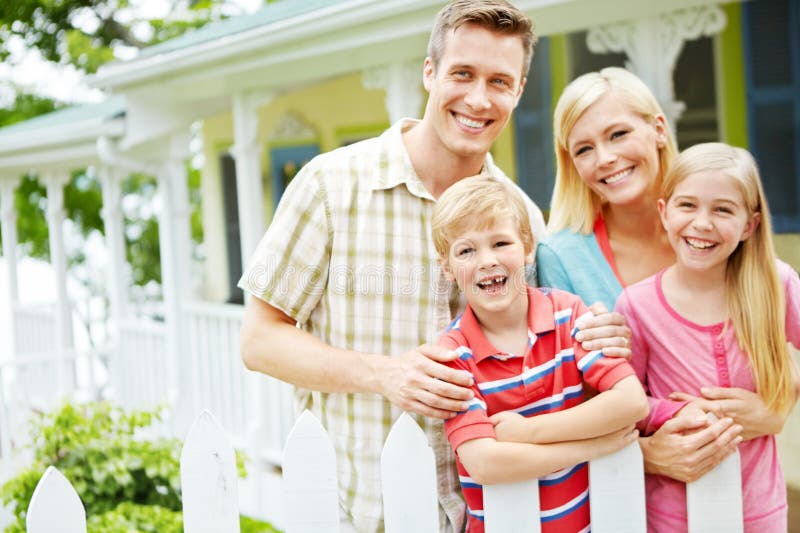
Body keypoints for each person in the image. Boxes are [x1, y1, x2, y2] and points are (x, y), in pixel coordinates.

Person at [238, 2, 632, 531]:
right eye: (462, 74)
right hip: (363, 513)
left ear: (518, 92)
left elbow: (553, 352)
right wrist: (384, 374)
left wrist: (601, 331)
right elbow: (259, 341)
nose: (477, 98)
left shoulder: (523, 224)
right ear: (429, 73)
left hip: (491, 513)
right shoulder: (331, 186)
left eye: (499, 81)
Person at [535, 67, 743, 484]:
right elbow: (566, 399)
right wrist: (646, 454)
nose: (605, 159)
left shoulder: (718, 226)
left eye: (618, 134)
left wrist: (772, 409)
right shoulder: (560, 255)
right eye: (584, 149)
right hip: (625, 496)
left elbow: (773, 332)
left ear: (659, 129)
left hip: (741, 478)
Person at [432, 176, 647, 532]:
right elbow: (486, 463)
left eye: (500, 243)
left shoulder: (567, 314)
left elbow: (631, 402)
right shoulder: (453, 355)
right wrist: (588, 447)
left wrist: (528, 431)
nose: (487, 261)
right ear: (447, 268)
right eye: (466, 251)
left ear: (528, 246)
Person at [615, 142, 800, 532]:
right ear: (664, 214)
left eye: (722, 209)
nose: (702, 223)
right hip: (671, 515)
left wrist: (783, 397)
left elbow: (784, 391)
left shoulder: (776, 285)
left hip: (760, 512)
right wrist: (675, 411)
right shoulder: (637, 305)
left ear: (749, 225)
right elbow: (624, 402)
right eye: (688, 206)